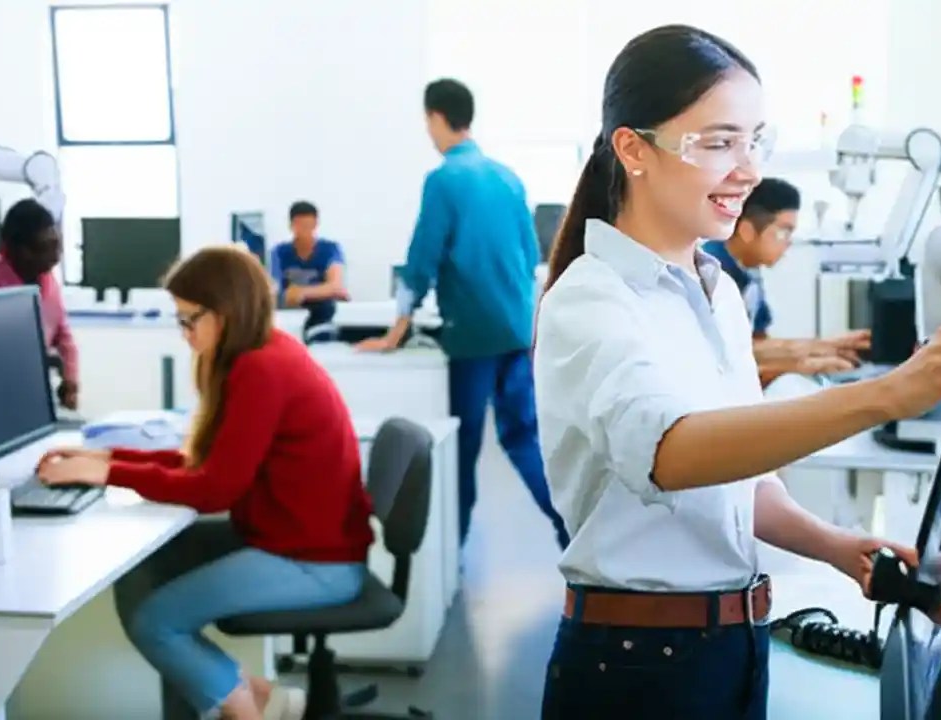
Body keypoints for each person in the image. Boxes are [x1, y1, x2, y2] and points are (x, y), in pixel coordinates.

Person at [533, 24, 941, 719]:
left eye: (756, 139)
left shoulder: (715, 290)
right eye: (719, 142)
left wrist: (835, 546)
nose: (750, 168)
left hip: (730, 644)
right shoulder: (592, 298)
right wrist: (888, 393)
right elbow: (673, 452)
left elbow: (737, 480)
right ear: (632, 150)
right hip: (637, 661)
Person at [38, 246, 374, 720]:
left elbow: (215, 489)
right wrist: (108, 456)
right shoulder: (260, 354)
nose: (184, 333)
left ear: (225, 313)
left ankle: (245, 710)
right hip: (290, 540)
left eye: (188, 320)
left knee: (156, 622)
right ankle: (256, 695)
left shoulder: (262, 369)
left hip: (314, 561)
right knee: (143, 567)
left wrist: (110, 473)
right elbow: (207, 462)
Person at [356, 78, 569, 550]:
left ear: (435, 118)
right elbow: (531, 250)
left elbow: (422, 259)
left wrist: (397, 329)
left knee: (461, 446)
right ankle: (570, 531)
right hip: (517, 327)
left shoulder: (444, 179)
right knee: (522, 437)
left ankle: (453, 550)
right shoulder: (507, 176)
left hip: (472, 335)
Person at [701, 178, 871, 385]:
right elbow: (715, 361)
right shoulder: (709, 272)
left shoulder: (749, 274)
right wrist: (800, 363)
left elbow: (755, 345)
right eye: (784, 231)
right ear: (747, 231)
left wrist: (825, 346)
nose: (788, 243)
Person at [0, 198, 80, 409]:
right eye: (48, 248)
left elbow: (63, 336)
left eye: (58, 246)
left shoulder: (48, 282)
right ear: (22, 250)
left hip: (35, 399)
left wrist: (70, 379)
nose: (56, 257)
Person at [270, 200, 350, 341]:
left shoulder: (330, 249)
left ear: (316, 224)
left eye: (309, 226)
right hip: (291, 313)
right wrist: (323, 290)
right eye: (300, 226)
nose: (305, 231)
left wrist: (301, 292)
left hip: (322, 312)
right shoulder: (280, 252)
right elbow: (278, 291)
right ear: (291, 226)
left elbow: (336, 286)